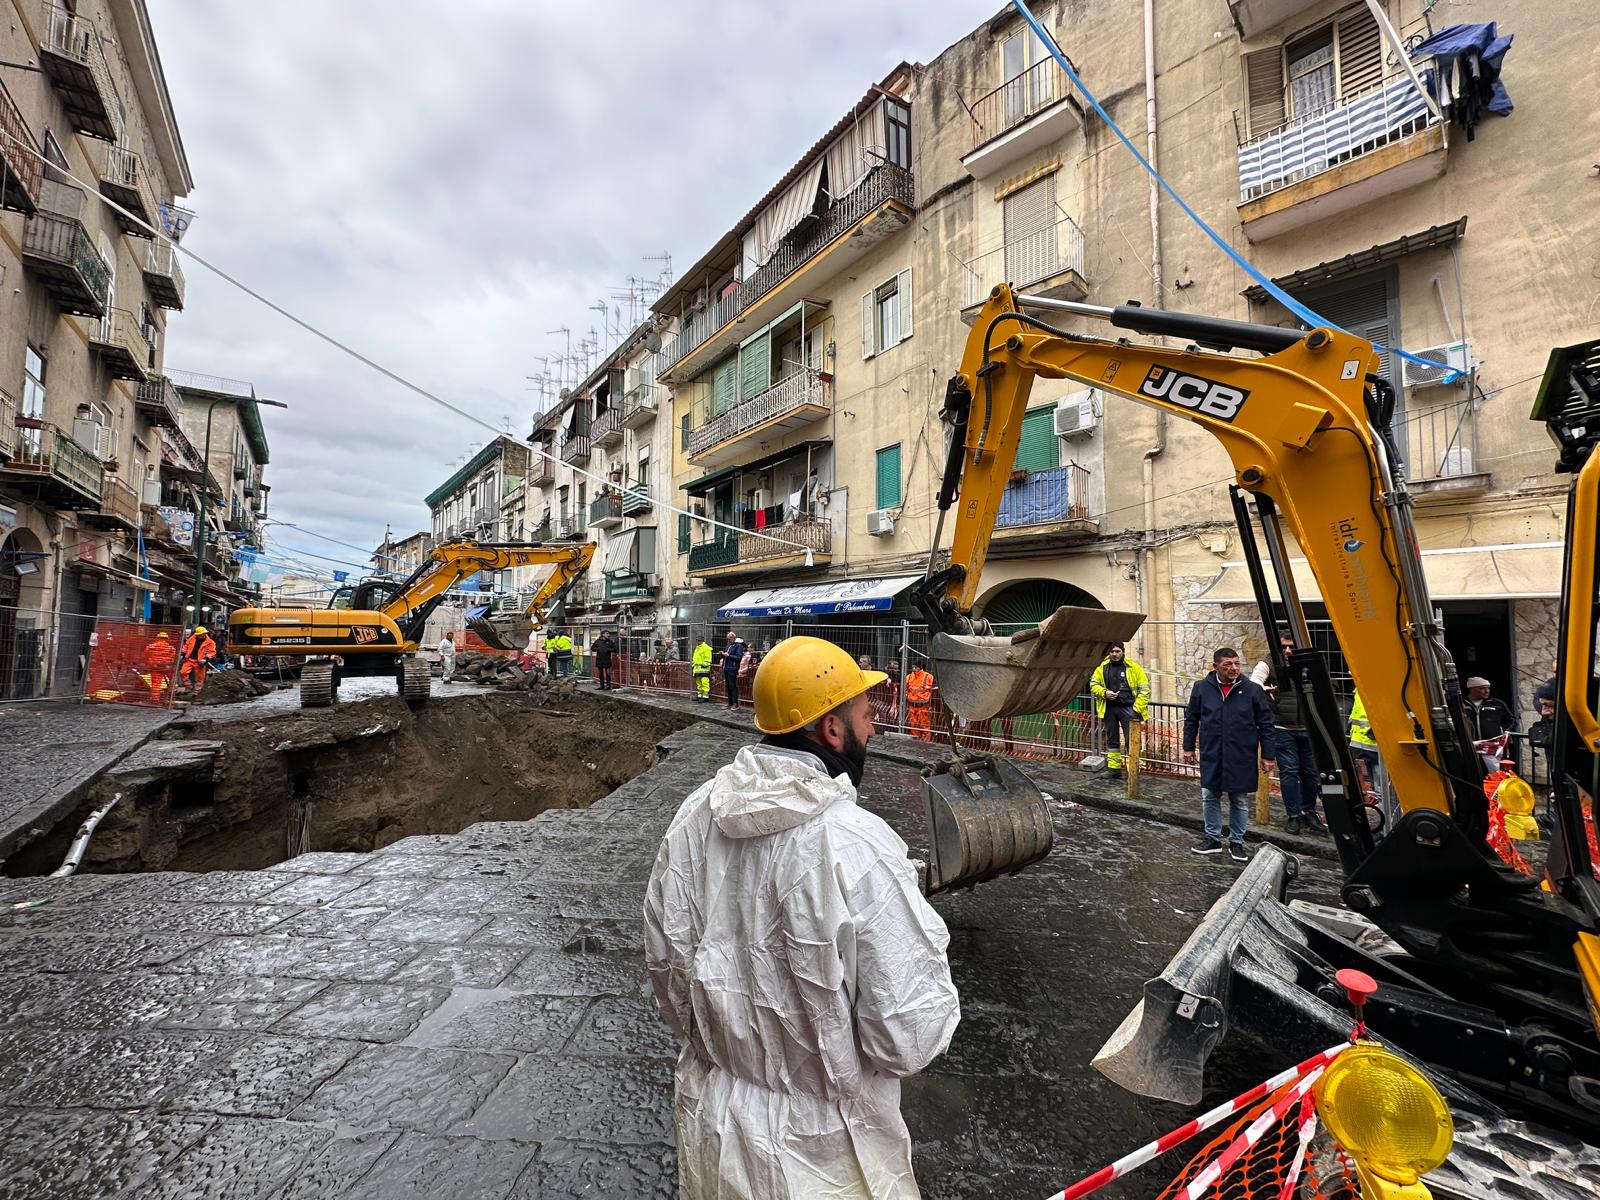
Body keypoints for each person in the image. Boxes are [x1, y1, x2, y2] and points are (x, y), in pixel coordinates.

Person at [644, 637, 960, 1198]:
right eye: (866, 716)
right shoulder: (854, 844)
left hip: (716, 1122)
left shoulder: (693, 815)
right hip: (821, 1154)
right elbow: (908, 1037)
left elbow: (667, 963)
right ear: (831, 730)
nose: (873, 730)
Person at [1184, 647, 1275, 863]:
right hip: (1212, 752)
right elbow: (1191, 719)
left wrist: (1268, 755)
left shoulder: (1252, 690)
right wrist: (1188, 747)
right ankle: (1212, 839)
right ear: (1215, 667)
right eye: (1228, 665)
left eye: (1236, 663)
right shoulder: (1201, 688)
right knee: (1209, 796)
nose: (1234, 668)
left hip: (1241, 753)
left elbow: (1266, 723)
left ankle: (1237, 842)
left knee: (1239, 799)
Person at [1263, 637, 1328, 835]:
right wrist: (1272, 702)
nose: (1288, 650)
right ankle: (1293, 815)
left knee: (1310, 773)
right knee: (1289, 772)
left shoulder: (1309, 666)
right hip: (1283, 729)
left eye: (1292, 646)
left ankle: (1309, 811)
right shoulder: (1271, 666)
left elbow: (1329, 685)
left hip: (1307, 729)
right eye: (1284, 647)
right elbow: (1255, 686)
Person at [1090, 642, 1149, 777]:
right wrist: (1104, 693)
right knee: (1112, 740)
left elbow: (1145, 690)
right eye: (1112, 652)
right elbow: (1093, 684)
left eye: (1117, 651)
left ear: (1123, 651)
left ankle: (1133, 771)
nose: (1114, 654)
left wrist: (1136, 709)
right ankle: (1114, 769)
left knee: (1132, 740)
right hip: (1110, 708)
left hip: (1128, 708)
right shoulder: (1102, 667)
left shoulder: (1134, 668)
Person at [140, 630, 177, 703]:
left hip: (155, 667)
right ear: (167, 639)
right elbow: (174, 657)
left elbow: (144, 656)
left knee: (156, 684)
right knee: (172, 681)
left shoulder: (150, 647)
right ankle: (172, 696)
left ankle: (155, 699)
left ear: (157, 638)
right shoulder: (171, 648)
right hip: (167, 667)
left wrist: (149, 662)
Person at [179, 624, 217, 695]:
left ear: (204, 634)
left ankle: (196, 691)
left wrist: (206, 659)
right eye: (198, 635)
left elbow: (212, 652)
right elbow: (186, 645)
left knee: (199, 678)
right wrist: (183, 653)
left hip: (200, 661)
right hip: (189, 659)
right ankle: (188, 686)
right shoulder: (192, 638)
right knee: (183, 672)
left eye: (201, 635)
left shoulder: (210, 642)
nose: (199, 636)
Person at [905, 662, 935, 740]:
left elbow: (934, 688)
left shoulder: (928, 677)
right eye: (913, 667)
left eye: (915, 667)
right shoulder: (908, 677)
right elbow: (906, 689)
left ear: (920, 667)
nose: (913, 669)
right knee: (914, 725)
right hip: (912, 705)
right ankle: (915, 742)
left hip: (923, 706)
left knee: (924, 725)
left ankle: (925, 743)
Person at [721, 630, 747, 709]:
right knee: (728, 686)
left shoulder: (739, 646)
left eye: (729, 639)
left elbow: (738, 658)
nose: (728, 641)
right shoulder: (728, 645)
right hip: (726, 667)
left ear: (734, 638)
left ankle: (735, 703)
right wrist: (723, 655)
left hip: (732, 668)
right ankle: (730, 702)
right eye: (727, 639)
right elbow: (727, 655)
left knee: (733, 686)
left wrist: (728, 655)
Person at [691, 635, 713, 703]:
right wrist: (693, 664)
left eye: (699, 640)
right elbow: (695, 658)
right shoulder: (697, 648)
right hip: (697, 669)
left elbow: (708, 659)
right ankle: (700, 696)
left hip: (704, 669)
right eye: (697, 640)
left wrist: (704, 665)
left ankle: (705, 697)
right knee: (699, 683)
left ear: (702, 641)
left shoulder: (706, 648)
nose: (698, 641)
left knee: (704, 683)